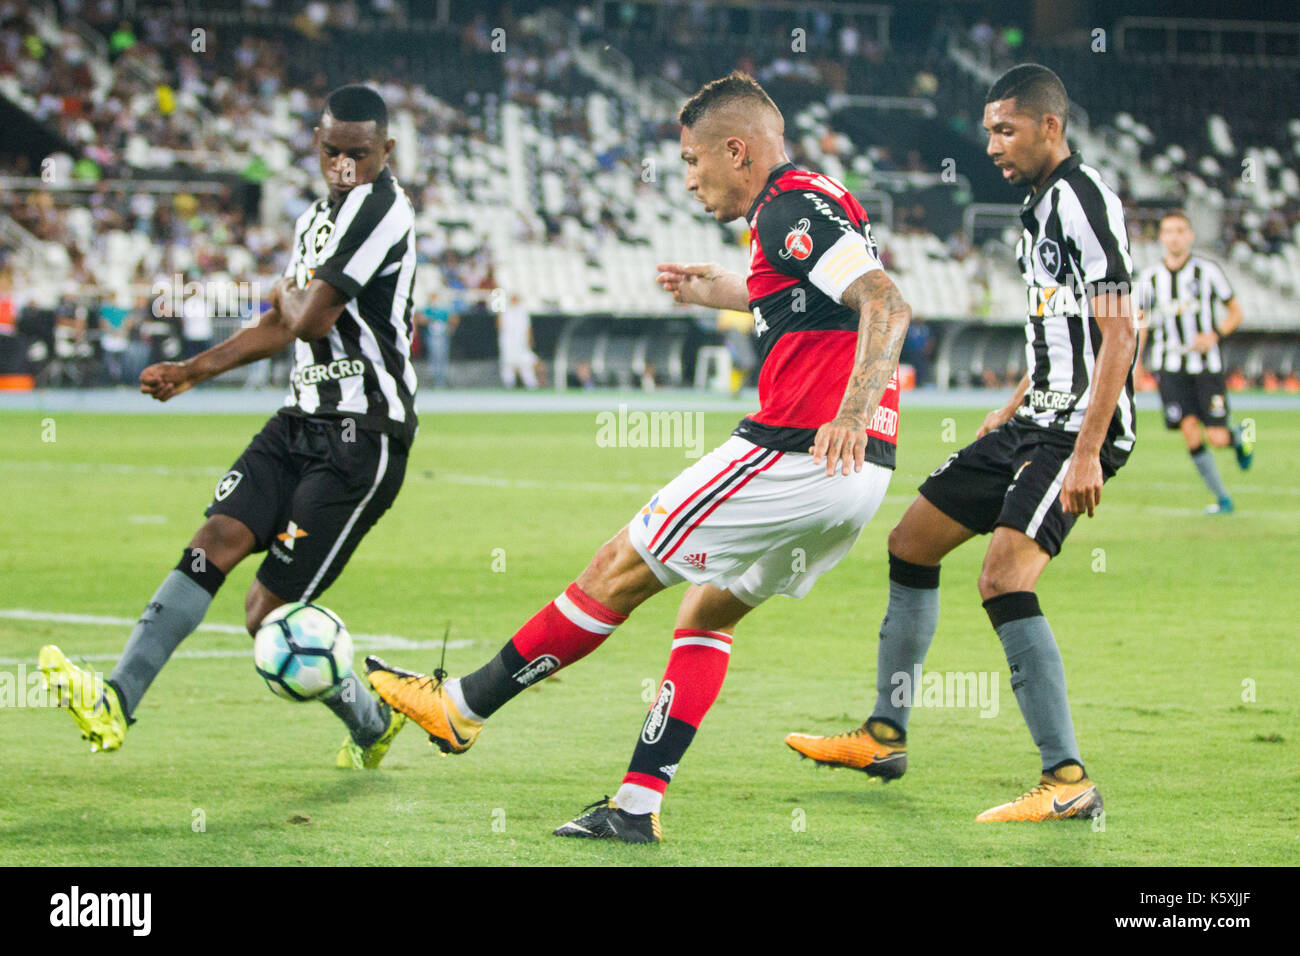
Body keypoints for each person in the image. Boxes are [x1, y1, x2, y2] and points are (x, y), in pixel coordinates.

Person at [365, 71, 911, 843]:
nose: (688, 180)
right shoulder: (818, 198)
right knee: (706, 610)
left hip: (797, 449)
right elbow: (808, 295)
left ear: (736, 149)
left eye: (693, 162)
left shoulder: (787, 206)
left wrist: (848, 411)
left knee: (618, 566)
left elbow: (887, 302)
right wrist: (721, 289)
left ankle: (459, 710)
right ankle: (635, 807)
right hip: (858, 475)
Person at [786, 63, 1136, 822]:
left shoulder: (1082, 200)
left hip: (1075, 428)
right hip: (1031, 420)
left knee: (1004, 577)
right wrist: (1006, 409)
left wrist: (1086, 449)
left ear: (1051, 125)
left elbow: (1120, 330)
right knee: (912, 542)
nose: (991, 145)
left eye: (1005, 130)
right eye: (987, 130)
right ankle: (885, 733)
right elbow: (1058, 328)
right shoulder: (1036, 206)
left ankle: (1068, 779)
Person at [40, 85, 419, 770]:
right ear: (315, 142)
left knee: (264, 614)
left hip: (364, 433)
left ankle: (372, 722)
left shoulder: (383, 207)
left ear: (385, 151)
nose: (343, 167)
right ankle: (116, 700)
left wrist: (290, 295)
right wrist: (193, 370)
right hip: (300, 417)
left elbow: (310, 318)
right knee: (213, 537)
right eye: (331, 151)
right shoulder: (315, 219)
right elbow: (282, 320)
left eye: (358, 155)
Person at [1135, 210, 1253, 513]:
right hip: (1169, 367)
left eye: (1180, 230)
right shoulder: (1149, 278)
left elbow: (1235, 312)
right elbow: (1142, 323)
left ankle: (1238, 437)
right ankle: (1223, 499)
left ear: (1190, 236)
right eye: (1168, 231)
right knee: (1189, 429)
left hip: (1206, 367)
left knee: (1215, 436)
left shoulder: (1208, 271)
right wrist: (1137, 364)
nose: (1174, 236)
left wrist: (1214, 334)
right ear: (1161, 237)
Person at [497, 292, 538, 389]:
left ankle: (532, 386)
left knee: (525, 365)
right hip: (508, 344)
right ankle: (509, 386)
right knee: (508, 366)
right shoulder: (505, 312)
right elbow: (499, 326)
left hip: (521, 344)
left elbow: (528, 328)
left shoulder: (523, 312)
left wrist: (529, 341)